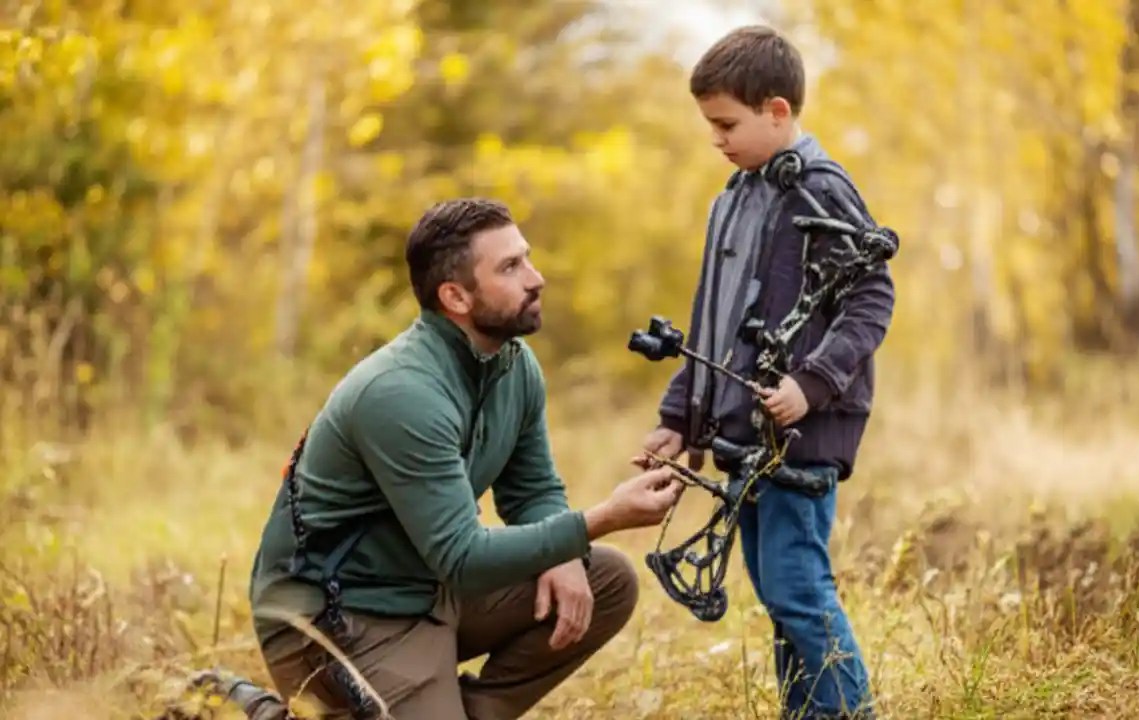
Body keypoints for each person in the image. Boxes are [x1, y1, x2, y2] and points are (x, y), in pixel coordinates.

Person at [181, 197, 684, 720]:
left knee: (606, 581)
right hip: (337, 618)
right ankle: (238, 707)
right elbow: (462, 559)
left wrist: (563, 552)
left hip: (431, 591)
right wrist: (600, 520)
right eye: (510, 267)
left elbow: (531, 491)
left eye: (527, 258)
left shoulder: (513, 366)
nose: (536, 278)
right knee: (579, 548)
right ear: (455, 296)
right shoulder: (401, 394)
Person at [636, 26, 895, 720]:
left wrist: (810, 386)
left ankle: (848, 714)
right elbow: (713, 319)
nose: (716, 138)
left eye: (727, 124)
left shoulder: (821, 190)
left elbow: (873, 296)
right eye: (711, 125)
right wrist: (678, 418)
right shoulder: (735, 196)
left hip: (797, 441)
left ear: (777, 112)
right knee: (779, 594)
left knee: (798, 591)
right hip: (743, 441)